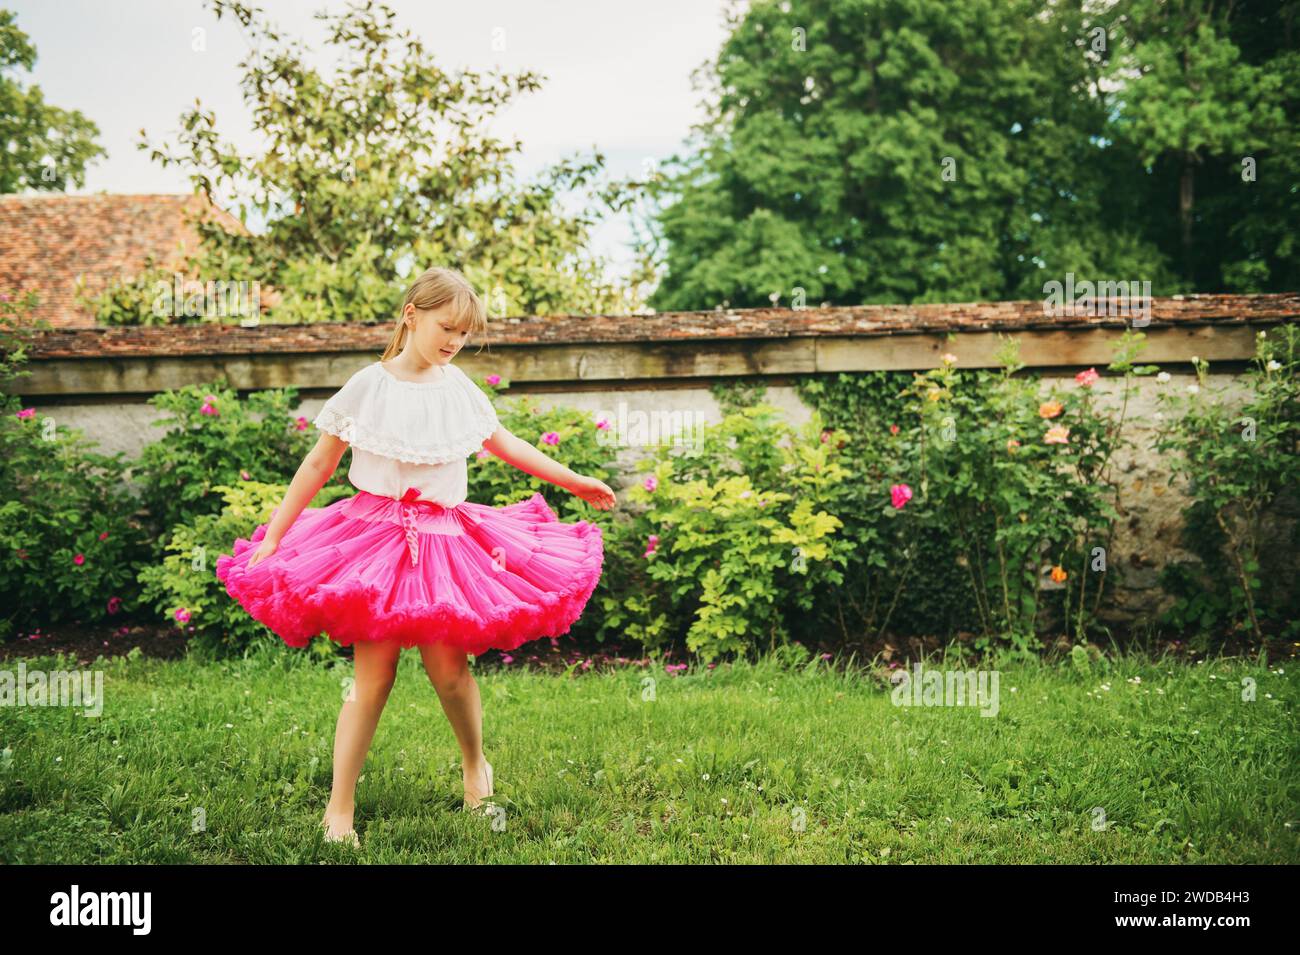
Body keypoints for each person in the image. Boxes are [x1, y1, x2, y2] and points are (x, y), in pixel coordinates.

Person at [214, 266, 615, 848]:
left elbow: (507, 444)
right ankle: (340, 807)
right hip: (372, 542)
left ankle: (475, 766)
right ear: (412, 315)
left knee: (449, 673)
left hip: (446, 544)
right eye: (446, 327)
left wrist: (573, 479)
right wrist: (275, 536)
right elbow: (318, 465)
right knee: (371, 681)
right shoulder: (368, 386)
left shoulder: (457, 388)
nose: (454, 341)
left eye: (464, 334)